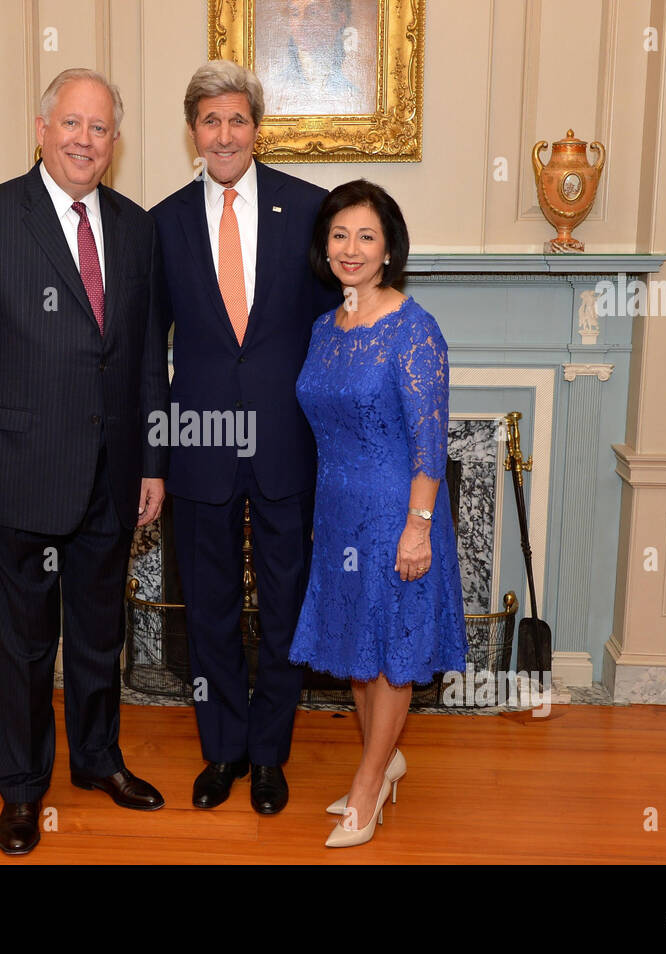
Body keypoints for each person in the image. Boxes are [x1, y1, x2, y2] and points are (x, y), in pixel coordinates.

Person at [0, 68, 170, 856]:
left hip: (113, 479)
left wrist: (154, 465)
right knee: (25, 648)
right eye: (71, 124)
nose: (84, 141)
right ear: (41, 128)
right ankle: (23, 790)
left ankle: (98, 760)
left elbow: (142, 365)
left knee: (102, 637)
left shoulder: (134, 230)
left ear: (115, 142)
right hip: (18, 479)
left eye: (100, 129)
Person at [150, 60, 341, 814]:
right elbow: (144, 350)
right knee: (211, 609)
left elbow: (336, 334)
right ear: (192, 131)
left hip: (288, 446)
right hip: (197, 448)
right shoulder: (159, 222)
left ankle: (270, 754)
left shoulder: (310, 209)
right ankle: (222, 750)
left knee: (288, 606)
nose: (223, 134)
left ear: (256, 129)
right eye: (209, 121)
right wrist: (151, 456)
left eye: (237, 120)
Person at [289, 179, 466, 847]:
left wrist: (418, 527)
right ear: (324, 247)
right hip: (338, 514)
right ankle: (382, 760)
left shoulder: (414, 329)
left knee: (391, 652)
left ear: (389, 248)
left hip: (397, 512)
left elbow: (430, 439)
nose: (351, 248)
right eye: (339, 235)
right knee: (358, 651)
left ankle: (368, 785)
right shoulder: (323, 328)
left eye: (366, 235)